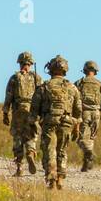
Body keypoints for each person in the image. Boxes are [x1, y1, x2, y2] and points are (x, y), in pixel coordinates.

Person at [31, 55, 82, 190]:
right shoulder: (72, 88)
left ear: (51, 69)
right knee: (62, 150)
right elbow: (78, 111)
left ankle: (51, 177)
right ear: (65, 70)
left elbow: (34, 109)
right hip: (67, 122)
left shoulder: (43, 87)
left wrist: (33, 123)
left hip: (49, 122)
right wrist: (76, 125)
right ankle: (60, 177)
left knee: (49, 150)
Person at [2, 51, 44, 176]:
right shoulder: (37, 78)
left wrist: (5, 113)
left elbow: (8, 97)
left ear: (20, 63)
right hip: (32, 111)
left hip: (18, 111)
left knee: (18, 138)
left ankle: (19, 167)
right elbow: (42, 96)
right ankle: (30, 153)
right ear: (30, 63)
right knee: (31, 136)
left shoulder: (15, 78)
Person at [73, 60, 101, 172]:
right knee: (90, 138)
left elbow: (72, 98)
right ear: (95, 71)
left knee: (81, 138)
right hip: (96, 114)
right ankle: (87, 163)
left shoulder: (79, 83)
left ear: (85, 70)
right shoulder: (100, 84)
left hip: (84, 113)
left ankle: (89, 154)